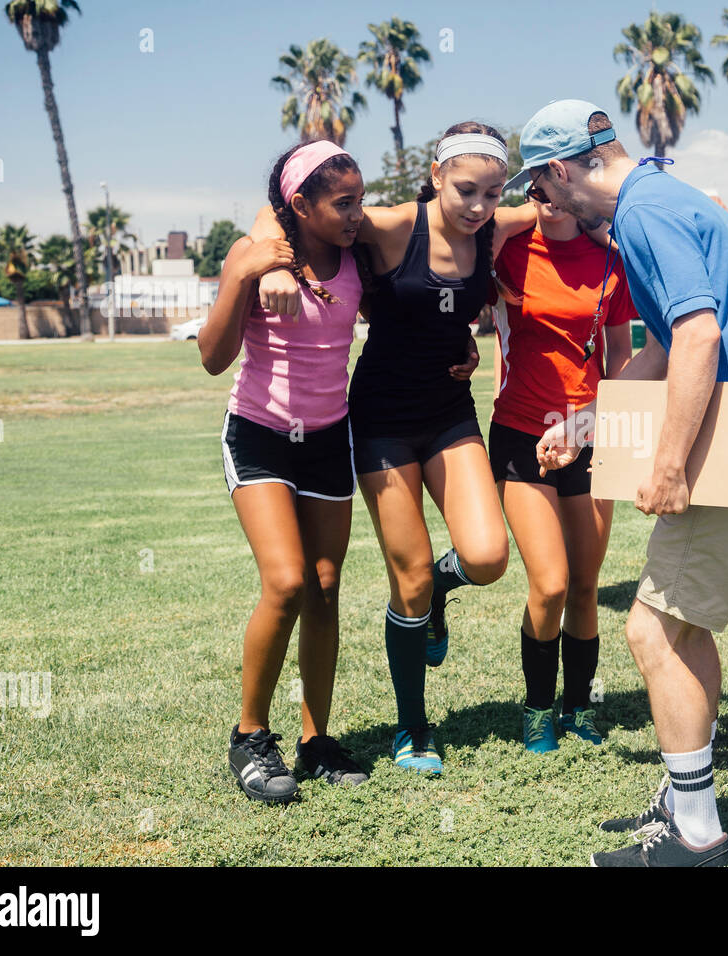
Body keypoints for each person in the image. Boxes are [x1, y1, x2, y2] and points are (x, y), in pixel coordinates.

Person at [527, 100, 728, 866]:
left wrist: (669, 464)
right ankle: (688, 802)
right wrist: (589, 426)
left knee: (651, 631)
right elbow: (661, 348)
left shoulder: (644, 211)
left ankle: (695, 836)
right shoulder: (664, 196)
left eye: (539, 186)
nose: (541, 204)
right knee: (685, 632)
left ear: (562, 169)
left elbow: (699, 335)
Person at [253, 122, 539, 776]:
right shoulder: (387, 226)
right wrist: (269, 260)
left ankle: (443, 588)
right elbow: (281, 209)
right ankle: (413, 729)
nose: (480, 205)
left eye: (494, 193)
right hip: (381, 416)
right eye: (466, 190)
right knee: (404, 581)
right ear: (435, 176)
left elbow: (569, 202)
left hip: (448, 410)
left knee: (489, 557)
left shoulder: (496, 225)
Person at [199, 141, 370, 803]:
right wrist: (247, 275)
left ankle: (316, 739)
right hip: (260, 437)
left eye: (359, 198)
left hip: (329, 438)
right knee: (288, 580)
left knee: (326, 585)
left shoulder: (356, 257)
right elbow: (213, 359)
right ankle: (250, 737)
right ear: (300, 205)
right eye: (343, 203)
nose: (356, 213)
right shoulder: (254, 254)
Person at [489, 190, 634, 753]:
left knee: (584, 584)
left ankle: (579, 707)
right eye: (534, 191)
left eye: (556, 190)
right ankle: (537, 709)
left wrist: (615, 426)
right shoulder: (508, 247)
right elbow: (458, 230)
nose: (544, 201)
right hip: (522, 430)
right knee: (548, 584)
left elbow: (620, 353)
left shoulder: (609, 261)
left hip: (591, 433)